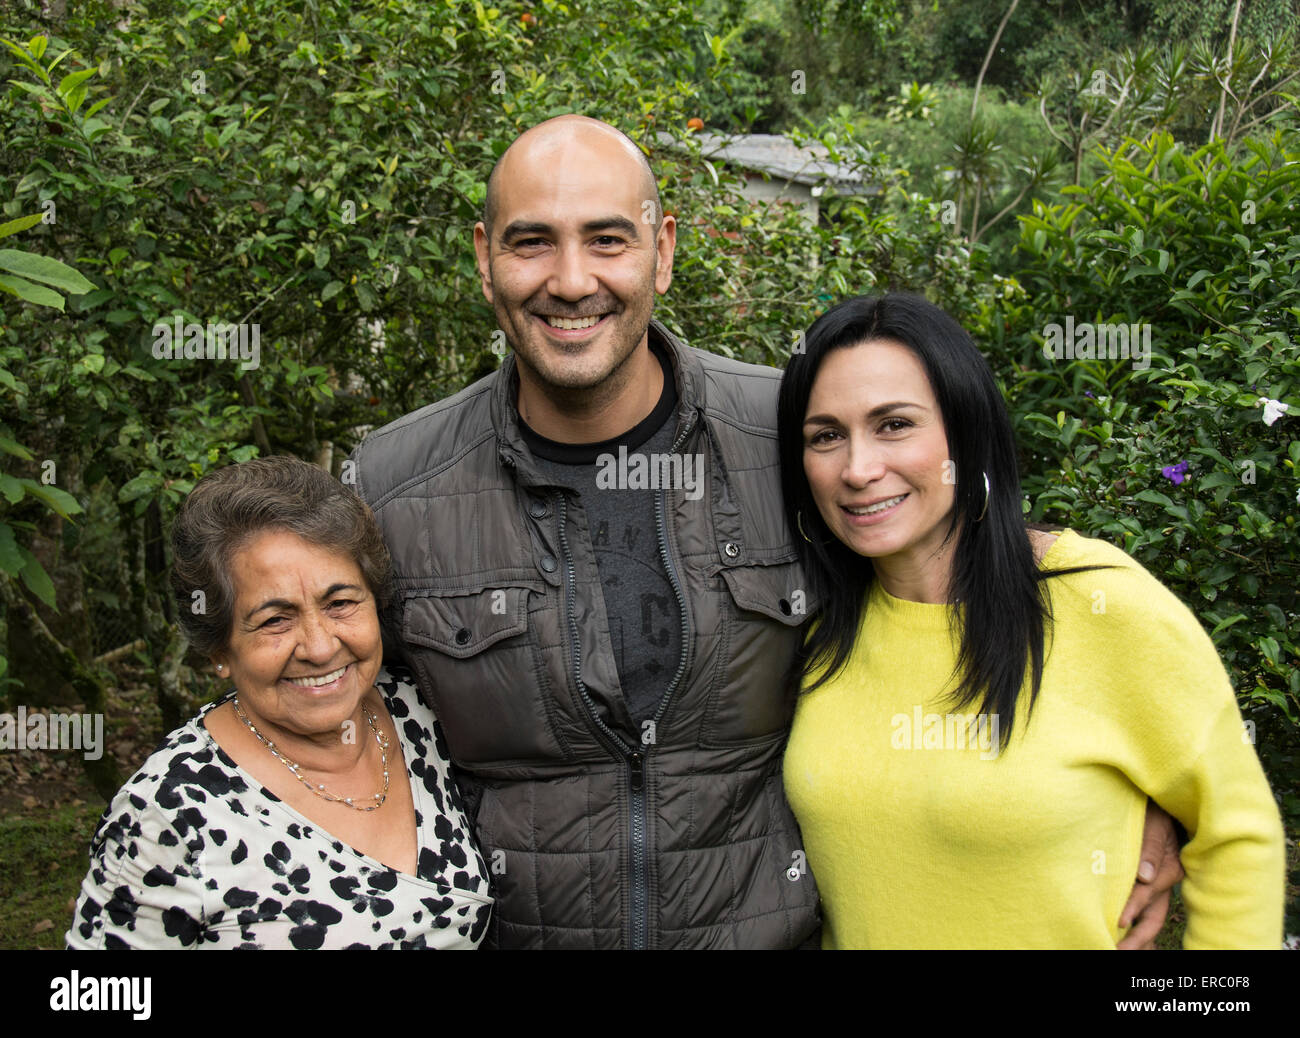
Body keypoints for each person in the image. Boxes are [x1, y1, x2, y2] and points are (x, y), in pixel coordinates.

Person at [350, 114, 1184, 949]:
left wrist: (1132, 790)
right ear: (484, 259)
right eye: (532, 242)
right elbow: (327, 717)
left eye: (608, 239)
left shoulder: (792, 435)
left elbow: (959, 579)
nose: (571, 280)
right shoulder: (395, 485)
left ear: (663, 251)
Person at [777, 292, 1286, 948]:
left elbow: (1238, 832)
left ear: (966, 431)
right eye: (826, 436)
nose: (859, 469)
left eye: (895, 424)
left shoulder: (1095, 600)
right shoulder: (816, 626)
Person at [67, 456, 492, 949]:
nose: (319, 646)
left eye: (340, 604)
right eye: (275, 620)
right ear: (218, 649)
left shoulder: (416, 710)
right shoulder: (167, 815)